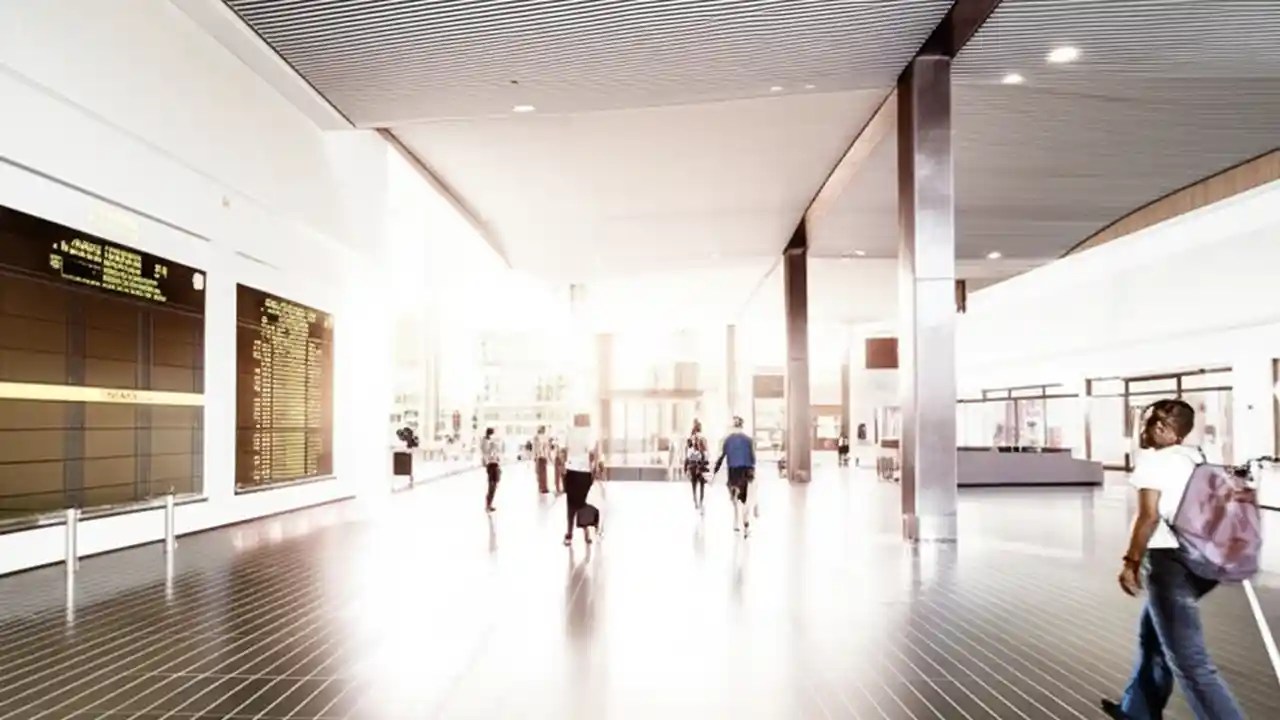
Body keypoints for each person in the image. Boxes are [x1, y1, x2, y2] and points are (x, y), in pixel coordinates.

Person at [1101, 399, 1244, 720]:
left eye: (1149, 424)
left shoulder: (1154, 462)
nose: (1144, 431)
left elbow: (1148, 517)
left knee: (1191, 663)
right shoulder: (1197, 457)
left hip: (1171, 564)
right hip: (1206, 562)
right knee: (1152, 637)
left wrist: (1131, 562)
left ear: (1165, 429)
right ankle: (1137, 711)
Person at [714, 416, 756, 536]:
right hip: (745, 471)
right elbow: (752, 459)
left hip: (733, 472)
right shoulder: (748, 440)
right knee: (744, 499)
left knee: (734, 498)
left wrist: (715, 472)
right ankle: (745, 521)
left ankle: (736, 520)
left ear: (733, 427)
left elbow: (721, 457)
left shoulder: (727, 440)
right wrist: (752, 471)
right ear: (742, 426)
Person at [563, 415, 599, 546]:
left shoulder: (570, 433)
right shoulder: (590, 433)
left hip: (571, 471)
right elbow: (592, 454)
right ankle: (587, 532)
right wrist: (594, 471)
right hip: (584, 472)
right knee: (581, 503)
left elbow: (564, 452)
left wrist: (563, 468)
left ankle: (569, 534)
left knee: (571, 505)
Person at [686, 419, 710, 512]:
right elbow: (706, 452)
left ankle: (695, 500)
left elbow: (688, 453)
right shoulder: (703, 438)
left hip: (693, 462)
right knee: (702, 484)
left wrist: (687, 465)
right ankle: (701, 501)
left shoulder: (690, 438)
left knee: (694, 484)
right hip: (701, 463)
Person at [481, 427, 502, 513]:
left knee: (494, 484)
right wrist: (492, 446)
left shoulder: (491, 441)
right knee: (492, 485)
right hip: (491, 464)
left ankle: (489, 504)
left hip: (494, 463)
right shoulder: (486, 442)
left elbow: (496, 452)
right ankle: (488, 505)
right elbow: (486, 452)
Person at [533, 425, 552, 494]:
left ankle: (543, 487)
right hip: (541, 456)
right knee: (541, 473)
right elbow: (536, 447)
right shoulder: (538, 437)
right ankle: (542, 487)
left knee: (542, 473)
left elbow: (538, 447)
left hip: (541, 457)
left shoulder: (540, 437)